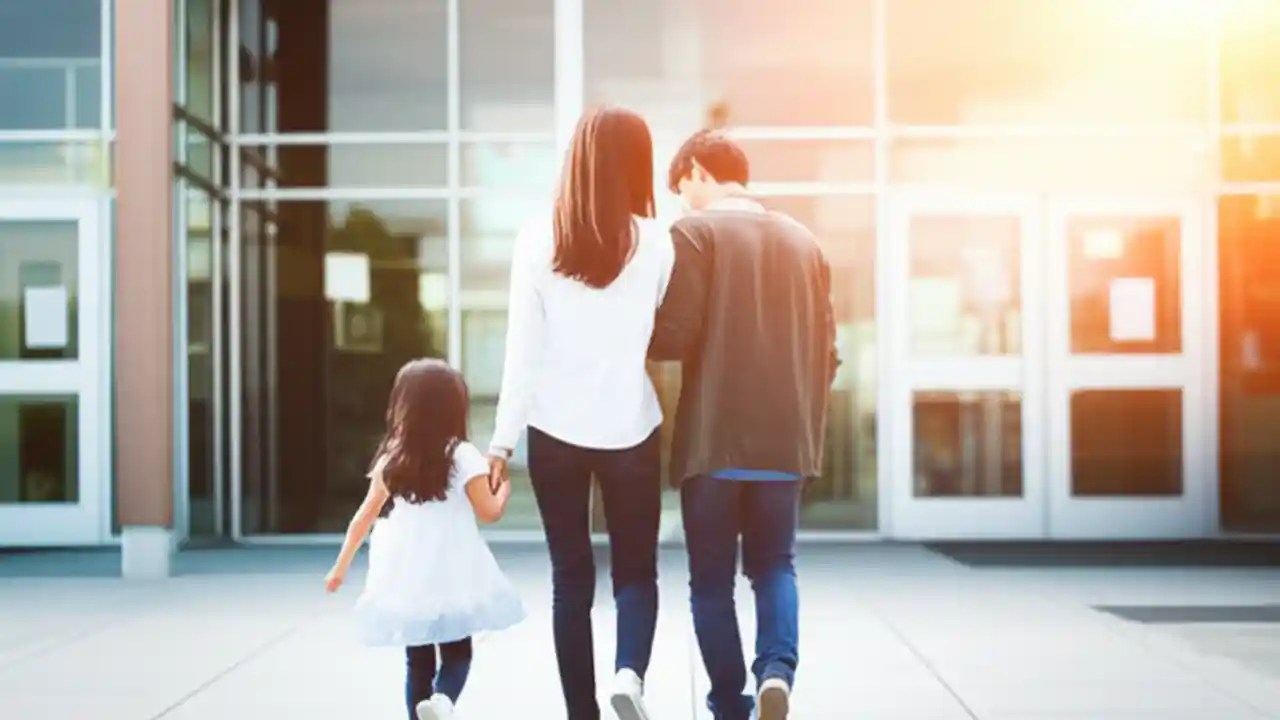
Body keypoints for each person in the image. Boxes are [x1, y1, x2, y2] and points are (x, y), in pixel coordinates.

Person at [486, 105, 673, 720]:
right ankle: (629, 675)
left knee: (571, 579)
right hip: (631, 427)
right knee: (636, 572)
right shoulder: (657, 242)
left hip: (554, 433)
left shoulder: (537, 239)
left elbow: (522, 352)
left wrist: (501, 442)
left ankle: (581, 714)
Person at [650, 130, 839, 720]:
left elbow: (674, 336)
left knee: (710, 583)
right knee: (774, 567)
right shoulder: (804, 241)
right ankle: (776, 672)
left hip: (715, 443)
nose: (682, 202)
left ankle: (729, 702)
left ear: (700, 171)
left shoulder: (696, 233)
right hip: (785, 445)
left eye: (682, 187)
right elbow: (828, 352)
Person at [324, 358, 525, 720]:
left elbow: (364, 517)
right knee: (458, 651)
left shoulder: (393, 457)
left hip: (406, 569)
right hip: (451, 567)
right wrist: (504, 492)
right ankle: (444, 700)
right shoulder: (462, 455)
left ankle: (419, 715)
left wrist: (340, 567)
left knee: (416, 660)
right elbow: (489, 512)